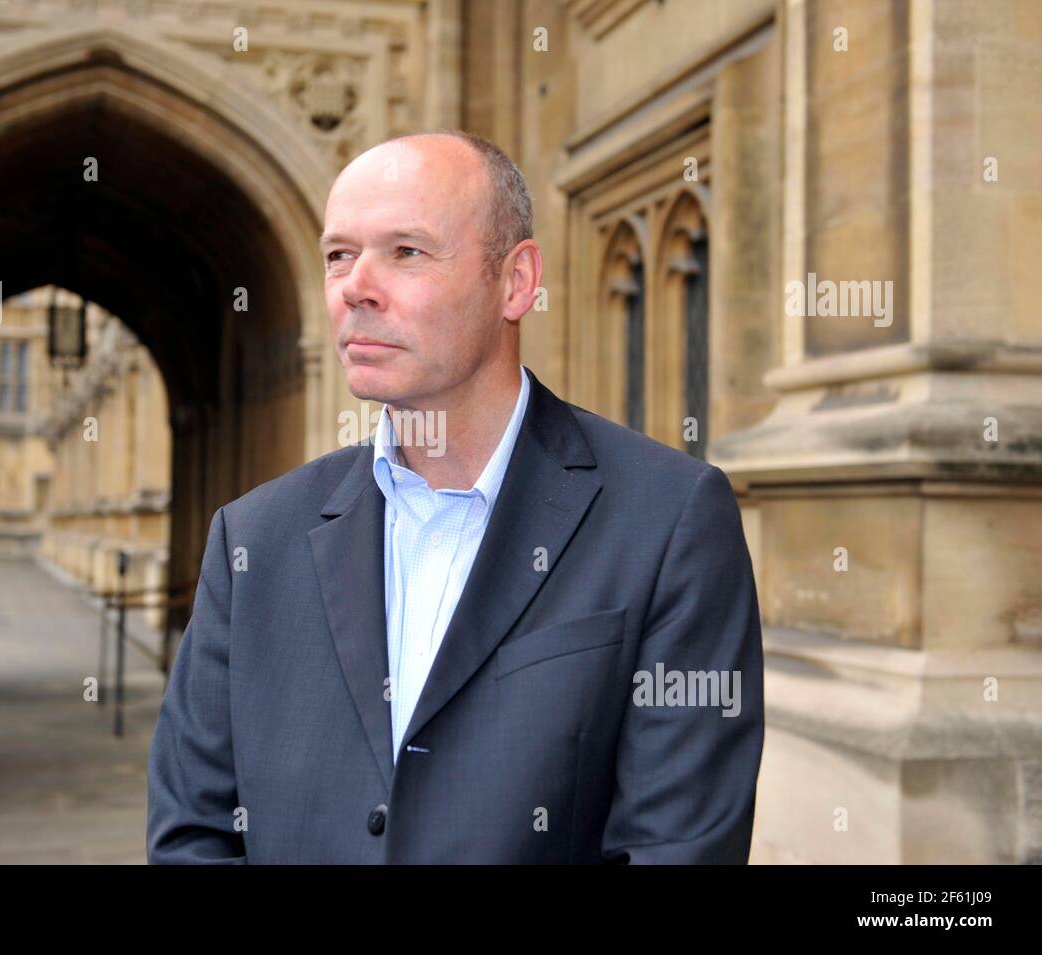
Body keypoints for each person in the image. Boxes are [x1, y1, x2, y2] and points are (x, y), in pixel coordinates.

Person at [147, 130, 764, 863]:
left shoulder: (669, 520)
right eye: (339, 254)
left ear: (515, 282)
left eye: (406, 251)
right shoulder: (251, 538)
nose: (355, 287)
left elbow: (676, 849)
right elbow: (194, 833)